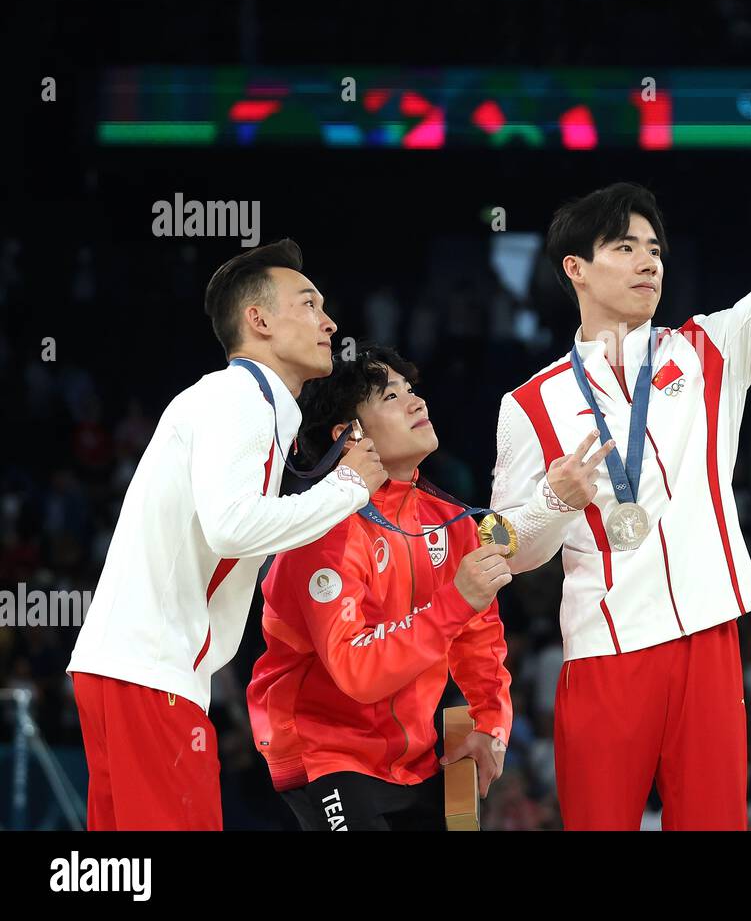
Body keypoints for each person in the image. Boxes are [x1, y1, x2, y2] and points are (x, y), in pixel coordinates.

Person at [489, 129, 751, 829]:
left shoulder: (708, 353)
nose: (648, 262)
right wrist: (552, 501)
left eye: (656, 249)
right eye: (625, 247)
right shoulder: (530, 405)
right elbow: (506, 551)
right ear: (575, 268)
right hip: (605, 654)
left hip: (708, 641)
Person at [66, 239, 387, 830]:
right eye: (309, 304)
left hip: (130, 670)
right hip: (151, 671)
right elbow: (231, 526)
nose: (329, 321)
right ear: (258, 320)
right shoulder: (237, 397)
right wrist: (348, 488)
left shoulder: (242, 403)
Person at [247, 342, 513, 831]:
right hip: (328, 756)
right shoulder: (322, 530)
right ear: (349, 437)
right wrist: (457, 599)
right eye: (391, 397)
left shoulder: (450, 520)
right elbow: (357, 671)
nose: (418, 402)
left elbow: (479, 641)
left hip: (416, 758)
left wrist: (488, 726)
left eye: (412, 390)